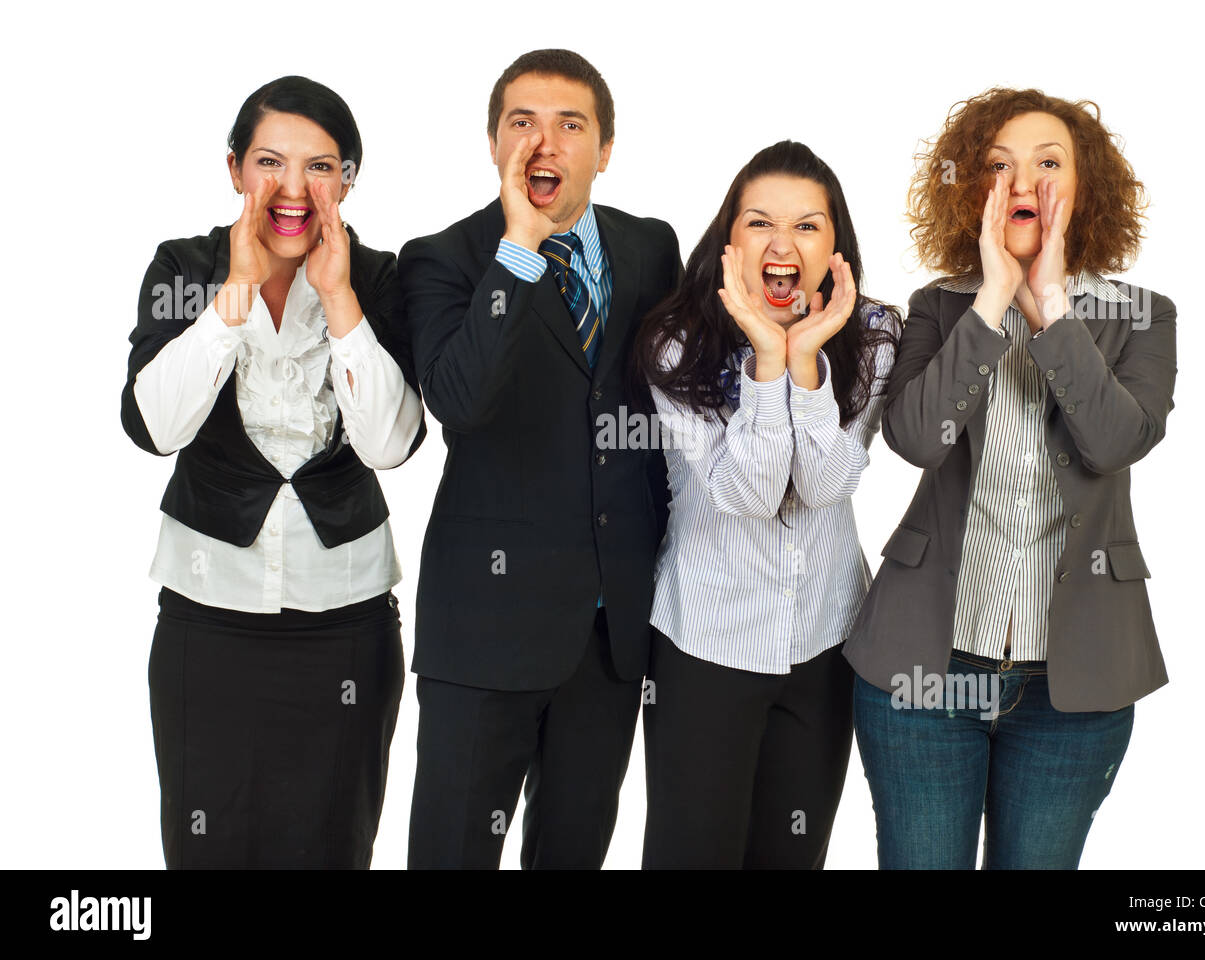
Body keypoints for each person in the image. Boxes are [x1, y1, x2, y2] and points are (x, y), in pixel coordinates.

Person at [843, 88, 1177, 869]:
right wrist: (992, 299)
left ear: (1085, 186)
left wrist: (1054, 307)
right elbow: (917, 439)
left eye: (1048, 164)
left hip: (1074, 691)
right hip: (924, 673)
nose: (1022, 182)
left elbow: (1113, 442)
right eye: (999, 165)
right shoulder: (937, 307)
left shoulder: (1143, 316)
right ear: (975, 189)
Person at [122, 76, 427, 868]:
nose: (293, 191)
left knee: (334, 845)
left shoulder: (382, 277)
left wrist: (338, 298)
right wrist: (234, 294)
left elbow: (391, 444)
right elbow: (155, 425)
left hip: (347, 623)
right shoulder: (184, 265)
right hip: (207, 619)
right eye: (269, 163)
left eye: (321, 168)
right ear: (234, 172)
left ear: (347, 181)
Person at [399, 48, 681, 869]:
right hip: (485, 631)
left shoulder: (650, 248)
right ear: (494, 143)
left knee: (574, 853)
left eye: (570, 125)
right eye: (522, 122)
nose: (544, 143)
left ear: (606, 147)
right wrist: (519, 245)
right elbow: (457, 398)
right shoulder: (442, 258)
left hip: (610, 632)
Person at [632, 140, 901, 868]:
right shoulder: (673, 340)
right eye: (760, 224)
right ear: (730, 242)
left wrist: (807, 355)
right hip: (706, 645)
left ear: (835, 247)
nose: (783, 245)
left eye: (807, 227)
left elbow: (823, 485)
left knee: (793, 856)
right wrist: (768, 358)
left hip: (823, 639)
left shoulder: (874, 334)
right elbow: (746, 492)